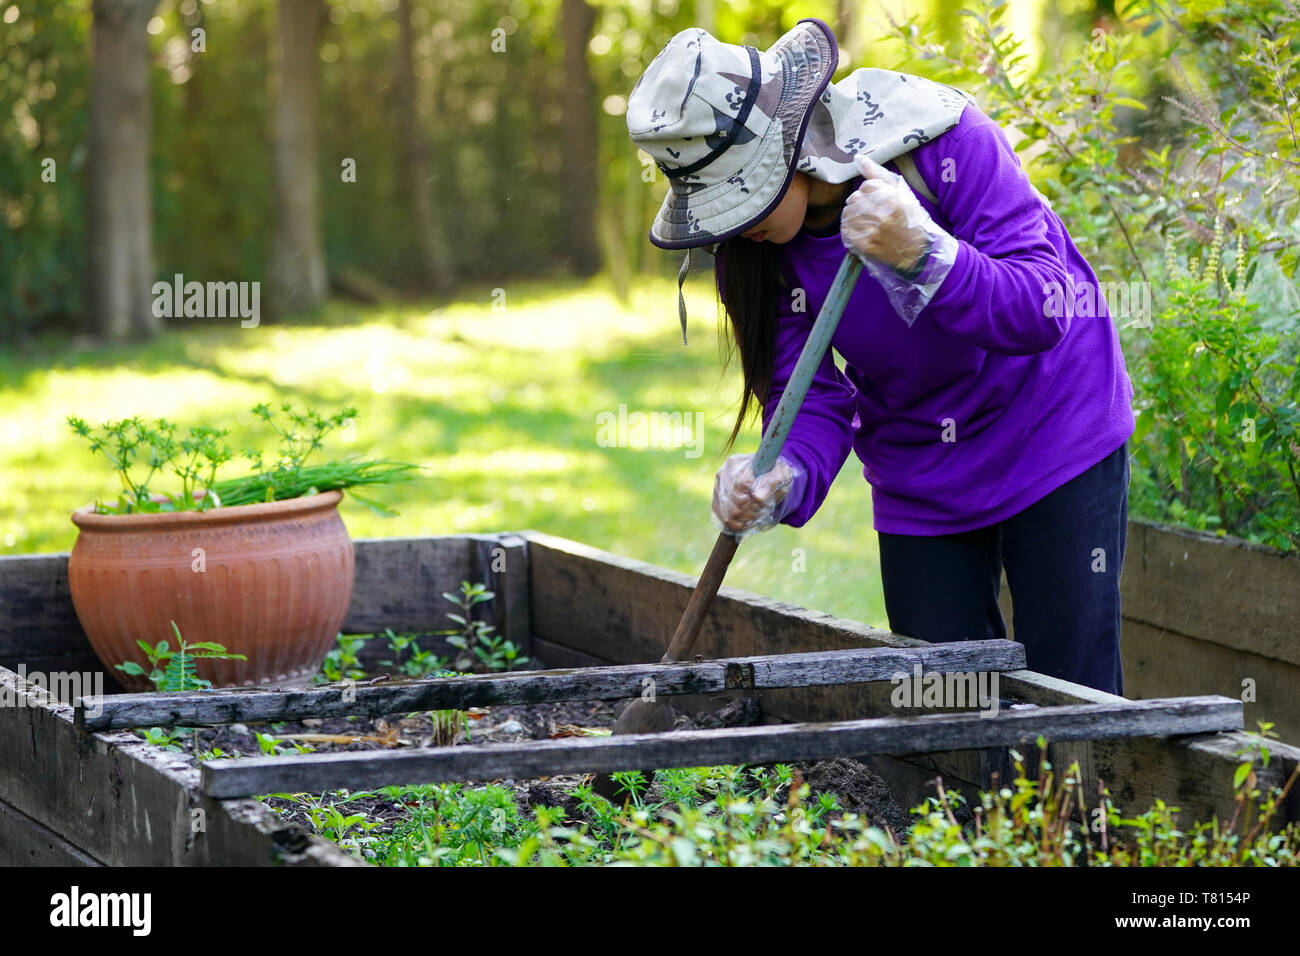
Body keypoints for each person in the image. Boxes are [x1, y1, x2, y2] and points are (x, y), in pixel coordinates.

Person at [625, 17, 1135, 695]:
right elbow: (808, 394)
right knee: (943, 700)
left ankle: (1075, 808)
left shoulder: (942, 143)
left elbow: (1043, 306)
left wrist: (927, 256)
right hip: (921, 460)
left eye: (741, 193)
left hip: (1052, 426)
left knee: (1070, 695)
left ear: (788, 141)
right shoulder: (751, 257)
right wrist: (779, 473)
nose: (736, 224)